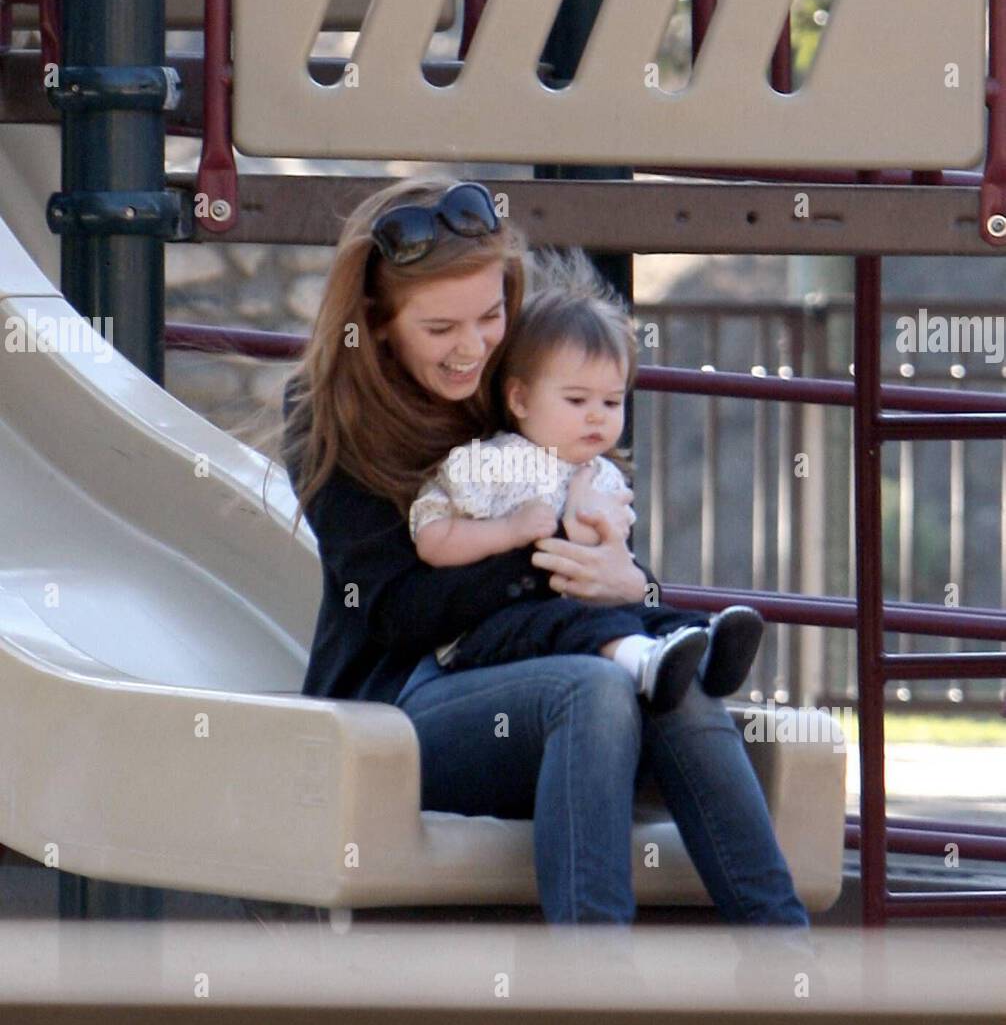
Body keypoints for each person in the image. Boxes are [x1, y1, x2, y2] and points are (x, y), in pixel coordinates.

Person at [277, 173, 809, 944]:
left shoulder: (523, 373)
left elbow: (597, 559)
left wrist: (635, 582)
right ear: (376, 322)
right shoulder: (330, 415)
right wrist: (540, 550)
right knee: (591, 686)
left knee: (674, 682)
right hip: (401, 705)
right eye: (439, 329)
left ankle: (788, 967)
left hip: (547, 660)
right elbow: (394, 613)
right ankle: (591, 996)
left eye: (491, 315)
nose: (471, 348)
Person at [407, 253, 764, 711]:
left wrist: (614, 550)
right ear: (519, 398)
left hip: (581, 607)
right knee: (572, 621)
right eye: (577, 400)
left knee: (646, 611)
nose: (597, 415)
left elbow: (617, 568)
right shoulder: (493, 462)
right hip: (491, 627)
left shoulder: (604, 474)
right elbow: (431, 537)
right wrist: (508, 531)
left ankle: (701, 645)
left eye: (612, 403)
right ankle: (642, 659)